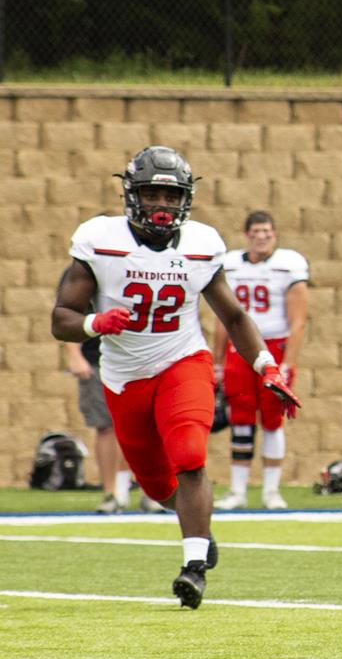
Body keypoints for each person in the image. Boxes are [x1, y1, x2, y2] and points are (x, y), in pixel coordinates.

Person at [50, 146, 300, 609]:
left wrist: (266, 365)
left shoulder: (201, 244)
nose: (162, 204)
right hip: (124, 376)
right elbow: (61, 316)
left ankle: (193, 567)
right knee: (157, 486)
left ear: (185, 199)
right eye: (152, 193)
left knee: (190, 454)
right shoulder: (100, 240)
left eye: (171, 194)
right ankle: (200, 530)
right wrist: (94, 324)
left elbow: (234, 316)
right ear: (132, 195)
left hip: (182, 361)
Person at [210, 211, 309, 510]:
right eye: (256, 231)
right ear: (247, 234)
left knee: (272, 420)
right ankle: (238, 490)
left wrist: (289, 363)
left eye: (267, 231)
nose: (262, 236)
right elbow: (221, 318)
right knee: (240, 419)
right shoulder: (230, 264)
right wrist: (217, 360)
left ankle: (270, 491)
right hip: (239, 350)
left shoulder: (289, 265)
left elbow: (298, 321)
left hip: (274, 347)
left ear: (275, 234)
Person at [63, 338, 132, 514]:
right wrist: (74, 354)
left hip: (138, 360)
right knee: (106, 427)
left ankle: (141, 490)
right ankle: (111, 493)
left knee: (140, 425)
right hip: (98, 360)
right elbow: (69, 314)